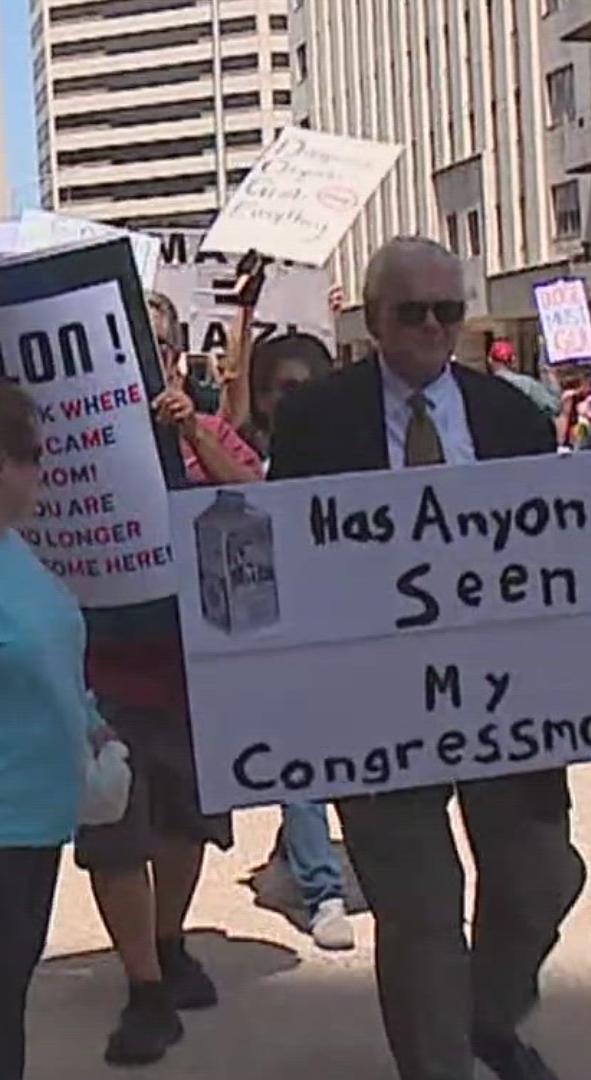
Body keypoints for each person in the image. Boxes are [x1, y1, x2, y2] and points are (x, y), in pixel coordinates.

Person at [270, 237, 586, 1080]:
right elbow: (288, 559)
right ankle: (438, 1062)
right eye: (415, 312)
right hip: (373, 705)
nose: (435, 328)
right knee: (418, 911)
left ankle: (487, 1016)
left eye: (450, 311)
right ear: (374, 320)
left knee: (542, 876)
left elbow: (560, 557)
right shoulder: (315, 420)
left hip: (505, 701)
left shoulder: (515, 417)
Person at [73, 293, 256, 1067]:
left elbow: (254, 503)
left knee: (186, 824)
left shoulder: (206, 432)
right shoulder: (75, 443)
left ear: (175, 360)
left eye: (152, 347)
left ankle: (169, 942)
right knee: (114, 834)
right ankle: (144, 987)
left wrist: (187, 430)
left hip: (191, 669)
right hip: (102, 672)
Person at [0, 380, 114, 1080]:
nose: (42, 471)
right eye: (31, 454)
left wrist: (94, 728)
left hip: (33, 827)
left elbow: (53, 660)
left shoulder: (17, 548)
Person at [239, 330, 357, 952]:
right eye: (286, 392)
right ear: (261, 399)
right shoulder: (241, 450)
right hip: (276, 632)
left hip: (342, 625)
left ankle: (295, 850)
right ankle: (322, 890)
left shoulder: (353, 450)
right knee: (301, 759)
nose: (299, 403)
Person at [488, 340, 560, 418]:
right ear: (513, 360)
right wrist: (551, 375)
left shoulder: (483, 388)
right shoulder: (527, 384)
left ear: (490, 360)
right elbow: (554, 406)